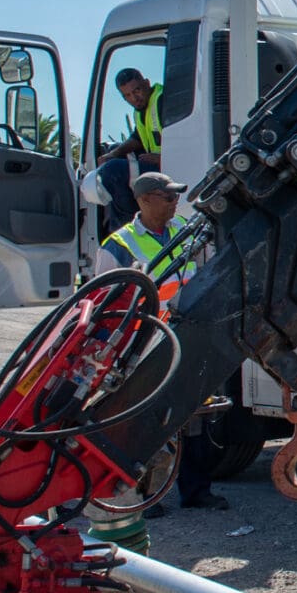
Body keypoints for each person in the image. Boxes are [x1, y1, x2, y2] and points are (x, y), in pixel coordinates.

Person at [97, 172, 230, 518]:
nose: (175, 203)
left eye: (176, 197)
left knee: (194, 417)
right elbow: (105, 303)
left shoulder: (185, 233)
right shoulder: (118, 245)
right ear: (143, 200)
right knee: (147, 420)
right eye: (167, 197)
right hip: (146, 346)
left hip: (188, 340)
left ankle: (197, 491)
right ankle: (145, 495)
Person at [94, 67, 163, 236]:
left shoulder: (162, 101)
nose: (134, 98)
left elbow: (190, 137)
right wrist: (112, 154)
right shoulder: (141, 111)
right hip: (157, 167)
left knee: (114, 171)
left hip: (170, 167)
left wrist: (162, 157)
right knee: (113, 155)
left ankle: (127, 235)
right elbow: (137, 138)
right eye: (127, 96)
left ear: (147, 83)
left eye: (137, 90)